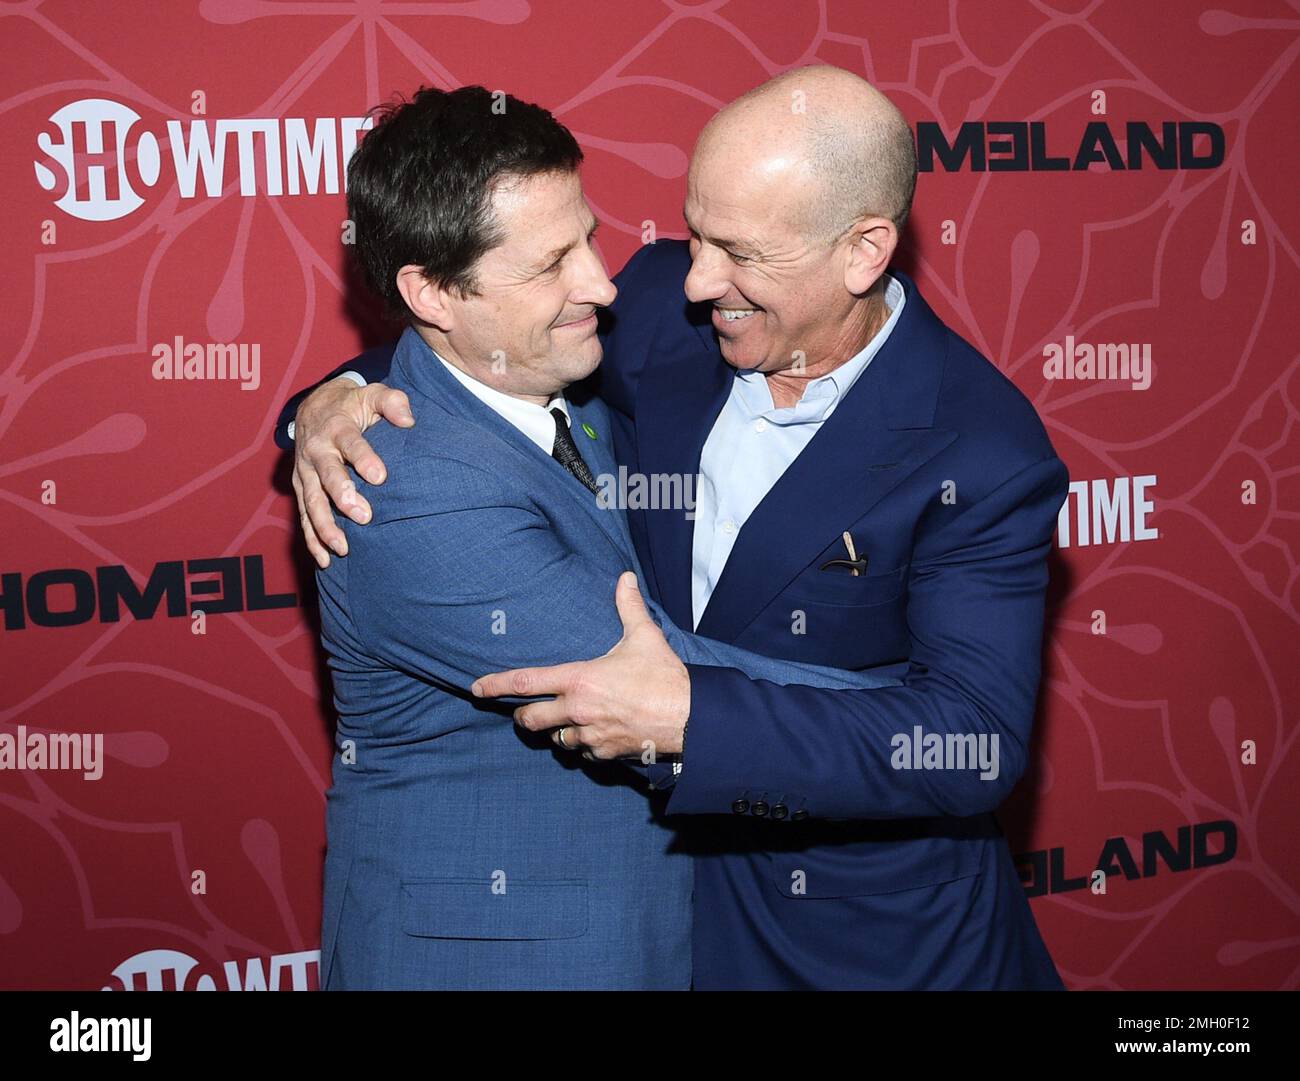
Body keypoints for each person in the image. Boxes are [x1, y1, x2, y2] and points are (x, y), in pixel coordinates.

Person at [284, 67, 1068, 990]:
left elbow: (970, 739)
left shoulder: (981, 447)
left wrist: (698, 717)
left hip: (866, 935)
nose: (689, 278)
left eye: (737, 250)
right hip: (661, 921)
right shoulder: (674, 312)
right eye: (694, 234)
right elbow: (489, 346)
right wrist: (326, 402)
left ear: (864, 252)